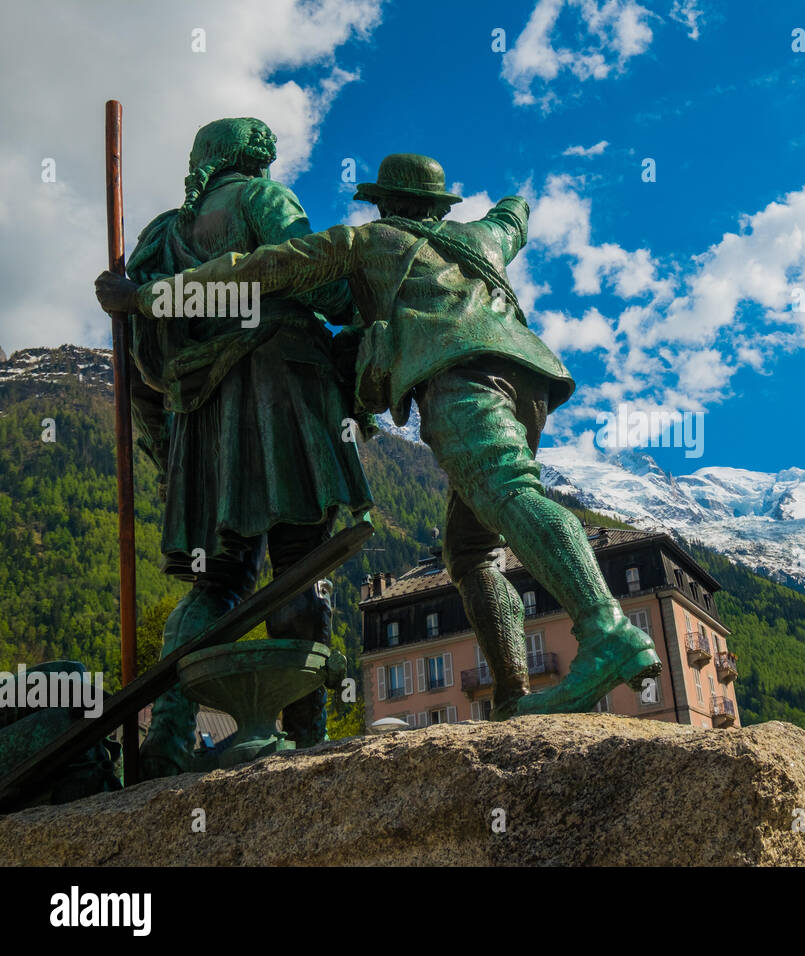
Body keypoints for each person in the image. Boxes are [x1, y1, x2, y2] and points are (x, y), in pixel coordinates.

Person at [97, 153, 659, 717]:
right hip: (529, 383)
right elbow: (514, 217)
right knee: (470, 552)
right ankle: (514, 695)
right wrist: (522, 199)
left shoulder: (365, 242)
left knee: (511, 493)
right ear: (439, 206)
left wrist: (148, 298)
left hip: (458, 375)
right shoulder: (485, 237)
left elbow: (257, 270)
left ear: (384, 202)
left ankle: (607, 631)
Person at [110, 118, 372, 776]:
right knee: (297, 561)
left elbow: (143, 347)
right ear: (249, 161)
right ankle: (306, 732)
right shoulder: (263, 200)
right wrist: (364, 296)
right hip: (281, 384)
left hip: (204, 409)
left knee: (217, 580)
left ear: (203, 161)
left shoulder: (161, 238)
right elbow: (314, 280)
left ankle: (167, 732)